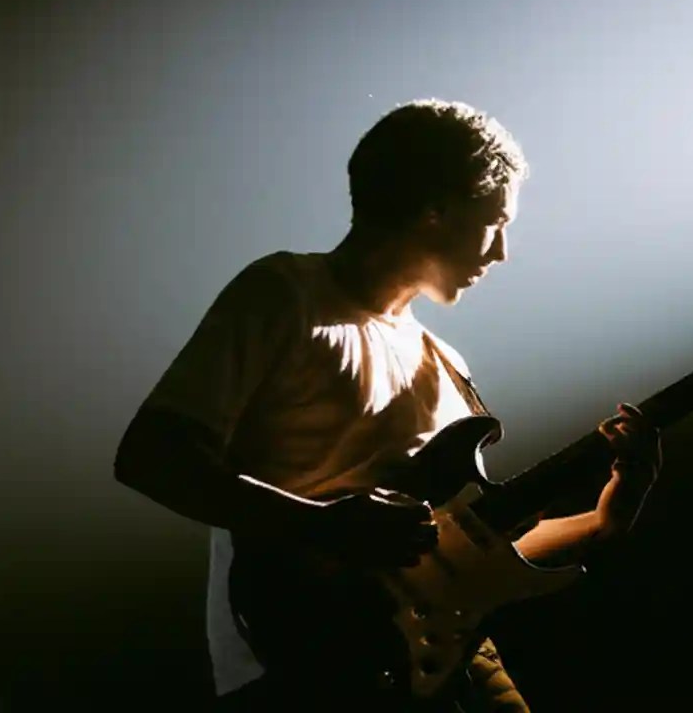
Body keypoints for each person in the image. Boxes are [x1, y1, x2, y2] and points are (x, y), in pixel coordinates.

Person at [113, 99, 662, 711]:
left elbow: (462, 561)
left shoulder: (446, 363)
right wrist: (324, 525)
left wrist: (606, 517)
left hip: (455, 661)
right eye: (493, 222)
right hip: (304, 663)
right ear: (435, 211)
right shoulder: (285, 296)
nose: (502, 251)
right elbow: (150, 456)